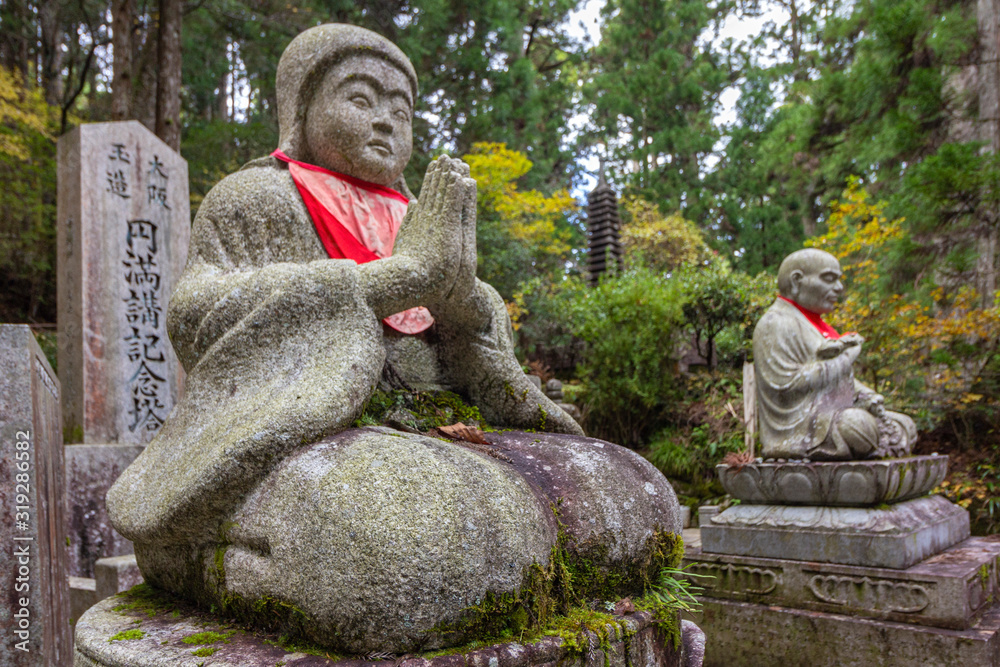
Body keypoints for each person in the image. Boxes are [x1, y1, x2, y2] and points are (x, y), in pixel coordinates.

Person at [108, 23, 580, 552]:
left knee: (603, 485)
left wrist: (464, 300)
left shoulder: (415, 214)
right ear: (302, 108)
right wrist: (387, 280)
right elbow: (197, 314)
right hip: (320, 428)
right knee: (392, 532)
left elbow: (476, 332)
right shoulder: (257, 197)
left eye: (401, 112)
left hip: (447, 416)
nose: (384, 120)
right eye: (360, 98)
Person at [752, 248, 916, 460]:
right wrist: (846, 358)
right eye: (829, 279)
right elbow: (786, 386)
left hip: (834, 413)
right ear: (796, 281)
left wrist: (866, 396)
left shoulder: (816, 326)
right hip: (803, 428)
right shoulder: (775, 323)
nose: (838, 288)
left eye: (838, 280)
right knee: (857, 427)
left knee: (905, 425)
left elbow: (840, 380)